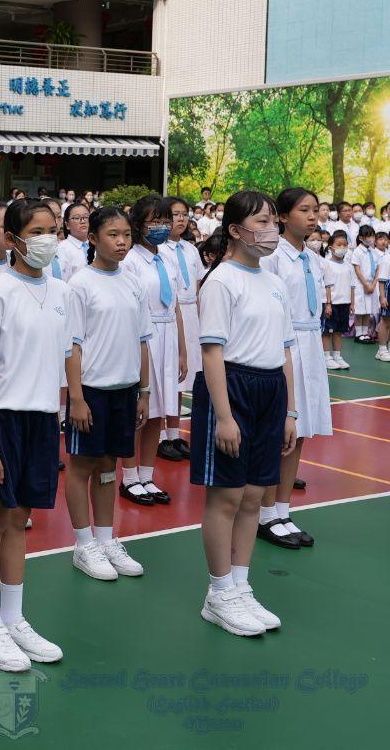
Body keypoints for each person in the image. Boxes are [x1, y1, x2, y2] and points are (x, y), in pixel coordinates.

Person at [0, 198, 68, 672]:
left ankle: (13, 618)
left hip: (42, 419)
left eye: (54, 229)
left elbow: (59, 361)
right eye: (39, 230)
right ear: (13, 238)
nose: (49, 238)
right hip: (3, 421)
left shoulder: (63, 293)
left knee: (20, 518)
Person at [191, 190, 296, 638]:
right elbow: (212, 353)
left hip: (270, 389)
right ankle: (218, 594)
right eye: (262, 222)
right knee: (227, 497)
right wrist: (225, 416)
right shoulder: (220, 281)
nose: (271, 230)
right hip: (232, 387)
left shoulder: (273, 281)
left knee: (255, 496)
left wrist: (289, 410)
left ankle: (240, 585)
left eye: (273, 221)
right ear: (235, 231)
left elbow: (285, 348)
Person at [64, 206, 150, 581]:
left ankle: (106, 538)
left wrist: (143, 391)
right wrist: (78, 398)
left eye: (127, 235)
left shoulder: (133, 281)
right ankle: (83, 545)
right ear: (94, 238)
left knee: (108, 467)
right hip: (92, 392)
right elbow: (72, 347)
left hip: (125, 389)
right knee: (82, 466)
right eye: (113, 234)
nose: (121, 241)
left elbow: (142, 340)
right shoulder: (80, 284)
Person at [257, 188, 329, 550]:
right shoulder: (272, 257)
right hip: (284, 346)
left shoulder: (313, 258)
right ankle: (265, 512)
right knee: (279, 431)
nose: (313, 216)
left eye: (316, 210)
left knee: (299, 432)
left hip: (311, 343)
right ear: (283, 217)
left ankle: (282, 510)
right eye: (304, 210)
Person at [119, 195, 186, 506]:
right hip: (143, 339)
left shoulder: (169, 257)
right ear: (138, 226)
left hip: (168, 335)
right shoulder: (130, 261)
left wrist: (183, 350)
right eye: (154, 221)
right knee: (140, 413)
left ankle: (147, 475)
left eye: (164, 220)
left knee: (159, 411)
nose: (161, 226)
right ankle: (129, 477)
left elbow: (176, 307)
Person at [166, 196, 203, 460]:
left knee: (182, 380)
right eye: (174, 214)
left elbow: (198, 285)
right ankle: (160, 436)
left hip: (192, 314)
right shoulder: (160, 250)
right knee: (167, 377)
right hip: (172, 314)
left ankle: (174, 433)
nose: (180, 219)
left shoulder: (190, 249)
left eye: (184, 214)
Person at [321, 230, 352, 369]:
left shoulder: (348, 265)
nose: (342, 248)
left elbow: (352, 286)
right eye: (339, 245)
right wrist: (328, 303)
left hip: (344, 303)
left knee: (339, 331)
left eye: (345, 245)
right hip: (332, 303)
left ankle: (337, 356)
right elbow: (326, 286)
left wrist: (352, 303)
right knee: (328, 331)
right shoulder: (327, 264)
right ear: (331, 248)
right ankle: (326, 356)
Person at [351, 224, 379, 344]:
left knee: (368, 310)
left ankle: (365, 333)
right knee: (360, 311)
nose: (371, 239)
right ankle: (359, 334)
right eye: (368, 236)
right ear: (361, 238)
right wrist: (366, 285)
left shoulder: (374, 251)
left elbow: (378, 268)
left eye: (372, 236)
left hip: (372, 285)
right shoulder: (357, 251)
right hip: (361, 284)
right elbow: (357, 270)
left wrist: (373, 284)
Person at [55, 202, 91, 283]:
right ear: (67, 225)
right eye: (77, 218)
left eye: (86, 217)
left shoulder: (98, 245)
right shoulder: (62, 249)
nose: (83, 221)